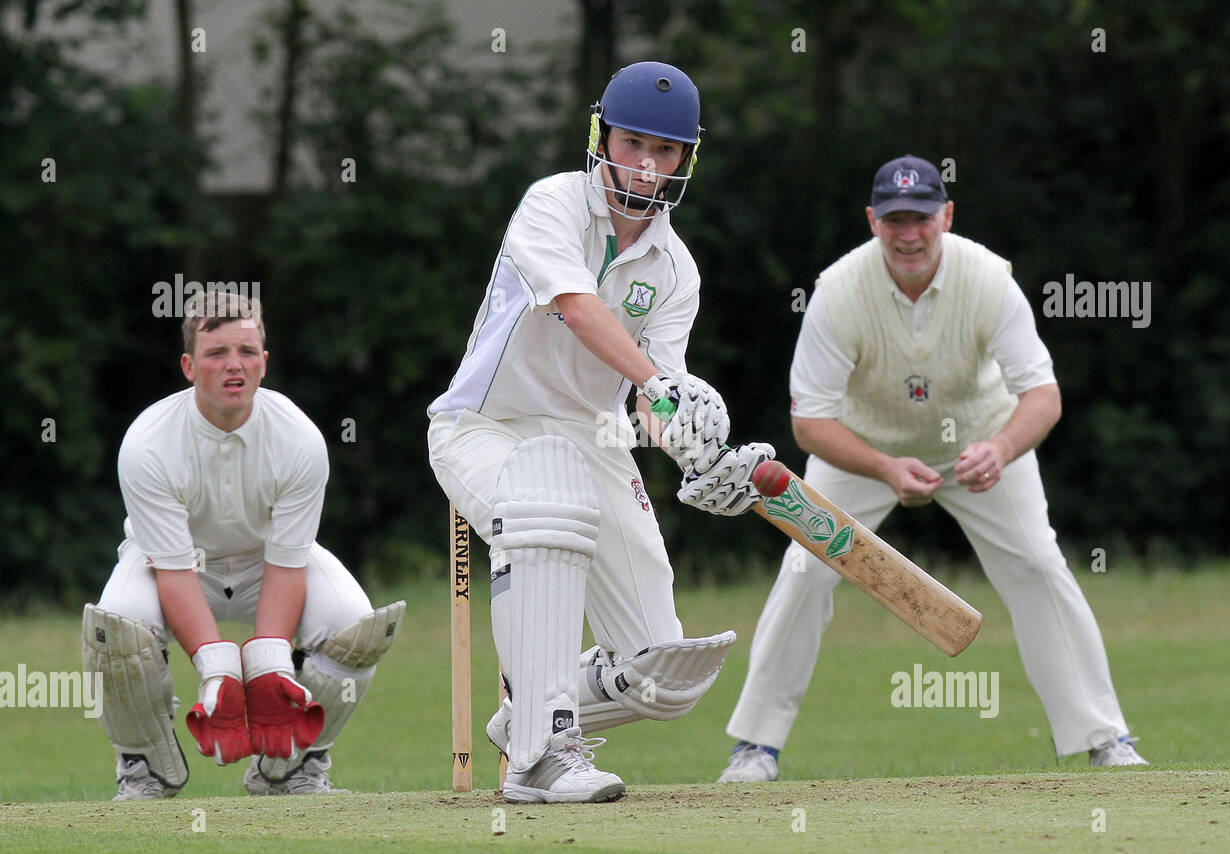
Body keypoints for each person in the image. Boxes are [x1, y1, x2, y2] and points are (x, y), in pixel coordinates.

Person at [718, 155, 1147, 782]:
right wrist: (885, 466)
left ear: (946, 215)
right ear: (873, 221)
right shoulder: (838, 292)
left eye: (921, 217)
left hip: (980, 445)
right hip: (864, 449)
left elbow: (1043, 396)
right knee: (807, 568)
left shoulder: (990, 279)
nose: (908, 233)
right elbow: (810, 423)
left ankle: (1105, 736)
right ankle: (754, 748)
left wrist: (999, 451)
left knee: (1037, 564)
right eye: (894, 219)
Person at [428, 61, 773, 804]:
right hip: (485, 424)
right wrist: (655, 383)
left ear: (688, 157)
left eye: (667, 150)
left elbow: (660, 398)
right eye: (632, 142)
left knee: (663, 672)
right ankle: (541, 756)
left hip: (598, 436)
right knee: (544, 510)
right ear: (601, 136)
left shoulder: (677, 269)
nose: (647, 164)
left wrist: (700, 454)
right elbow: (580, 311)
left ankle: (529, 715)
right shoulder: (549, 204)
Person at [84, 291, 404, 800]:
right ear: (189, 366)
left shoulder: (299, 437)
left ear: (264, 362)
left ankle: (290, 769)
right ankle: (146, 768)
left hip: (269, 565)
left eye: (247, 352)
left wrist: (268, 667)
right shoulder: (148, 442)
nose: (234, 365)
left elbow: (286, 562)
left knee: (355, 628)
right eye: (216, 354)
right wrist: (217, 668)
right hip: (174, 566)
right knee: (115, 632)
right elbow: (174, 569)